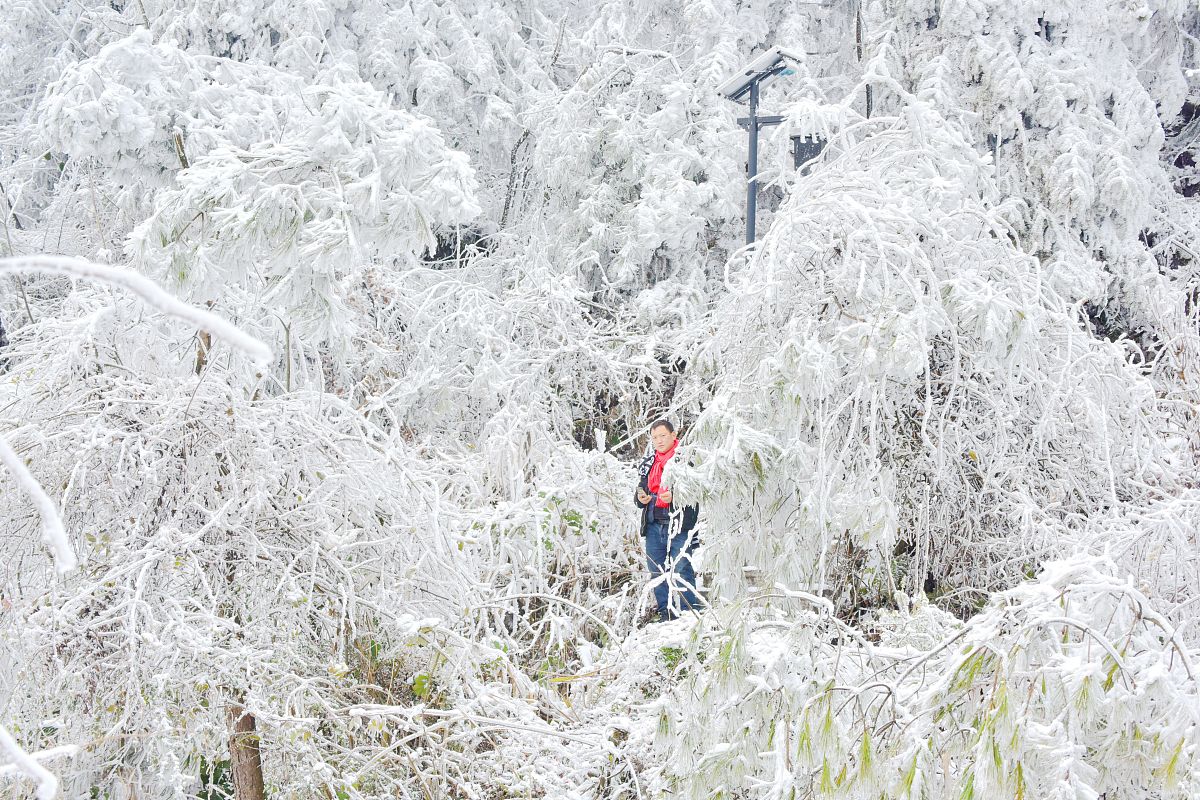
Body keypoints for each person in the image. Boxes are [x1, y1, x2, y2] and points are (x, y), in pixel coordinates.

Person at [634, 418, 702, 621]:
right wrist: (641, 497)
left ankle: (692, 614)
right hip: (654, 523)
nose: (659, 441)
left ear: (674, 436)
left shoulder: (686, 460)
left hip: (680, 523)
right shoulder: (649, 463)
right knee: (656, 570)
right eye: (655, 437)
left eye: (663, 435)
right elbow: (639, 492)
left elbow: (697, 491)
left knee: (682, 568)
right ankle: (667, 614)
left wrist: (676, 496)